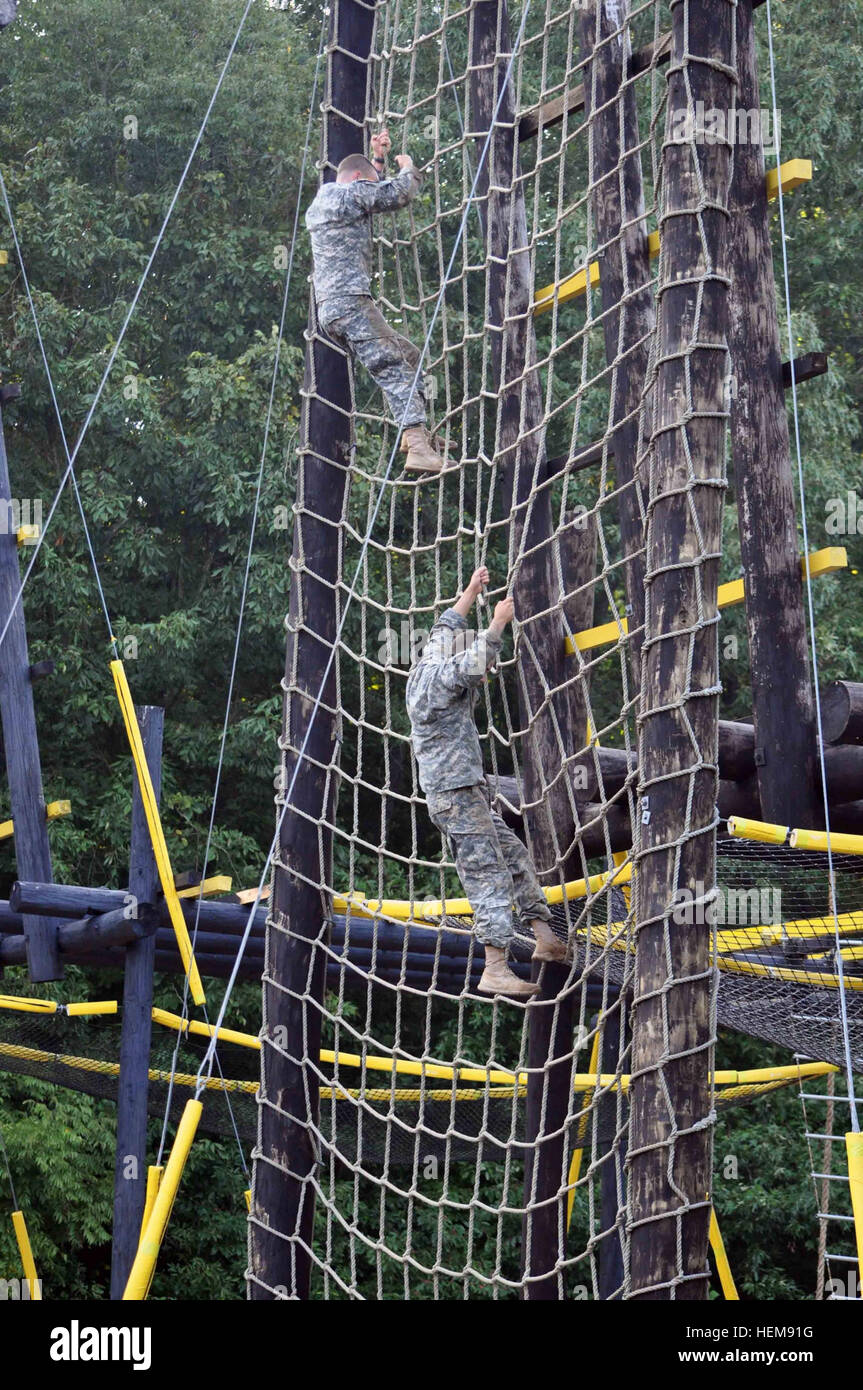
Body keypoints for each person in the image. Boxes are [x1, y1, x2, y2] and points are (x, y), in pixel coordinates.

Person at [406, 566, 567, 999]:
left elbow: (446, 626)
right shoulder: (440, 680)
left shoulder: (427, 662)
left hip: (460, 794)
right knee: (487, 872)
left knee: (511, 852)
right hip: (455, 795)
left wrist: (471, 591)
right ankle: (494, 967)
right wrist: (497, 623)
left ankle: (544, 936)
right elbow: (471, 666)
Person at [305, 127, 444, 474]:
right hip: (350, 302)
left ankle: (415, 434)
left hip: (331, 309)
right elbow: (396, 193)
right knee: (393, 363)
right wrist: (409, 167)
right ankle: (417, 446)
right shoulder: (347, 195)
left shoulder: (328, 200)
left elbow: (369, 188)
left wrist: (377, 156)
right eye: (366, 181)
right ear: (355, 180)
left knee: (409, 355)